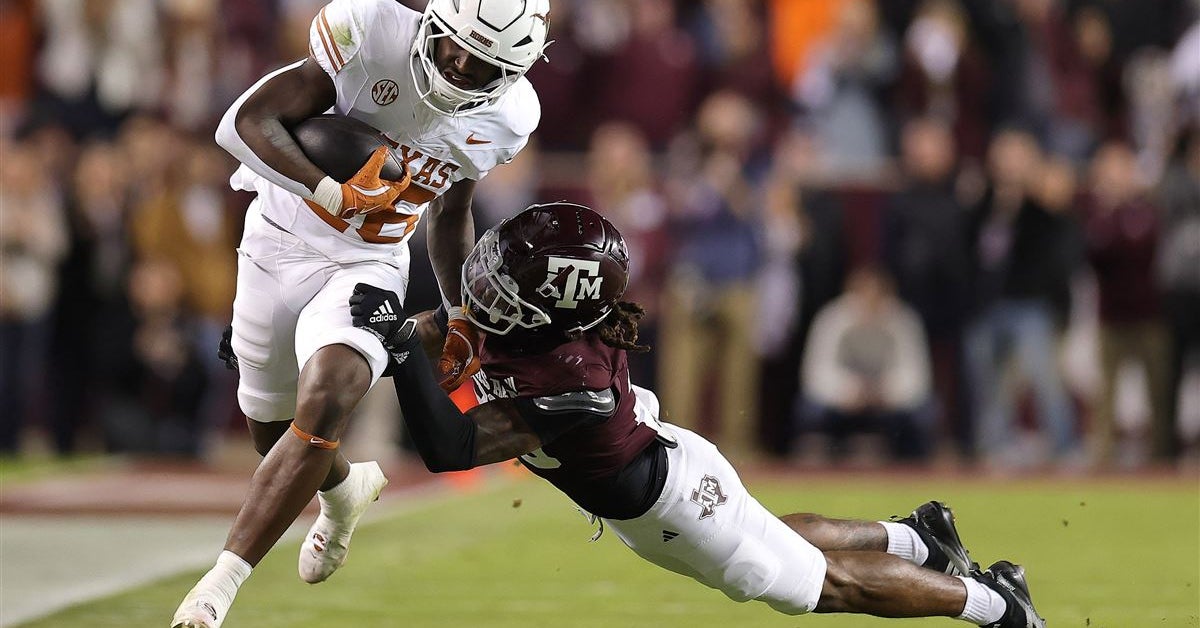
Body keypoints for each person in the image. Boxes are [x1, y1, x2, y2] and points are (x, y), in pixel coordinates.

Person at [344, 203, 1046, 627]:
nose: (481, 290)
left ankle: (996, 605)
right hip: (657, 477)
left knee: (824, 585)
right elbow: (450, 243)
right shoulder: (547, 327)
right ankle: (917, 537)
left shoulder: (571, 377)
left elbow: (450, 446)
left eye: (504, 286)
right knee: (777, 539)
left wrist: (400, 346)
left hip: (671, 503)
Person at [170, 1, 550, 627]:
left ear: (511, 73)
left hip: (370, 262)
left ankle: (216, 589)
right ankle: (344, 488)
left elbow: (450, 214)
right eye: (455, 45)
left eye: (482, 63)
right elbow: (241, 124)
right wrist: (332, 190)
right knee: (271, 429)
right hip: (276, 237)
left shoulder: (508, 117)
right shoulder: (370, 31)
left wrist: (459, 314)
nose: (460, 65)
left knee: (328, 395)